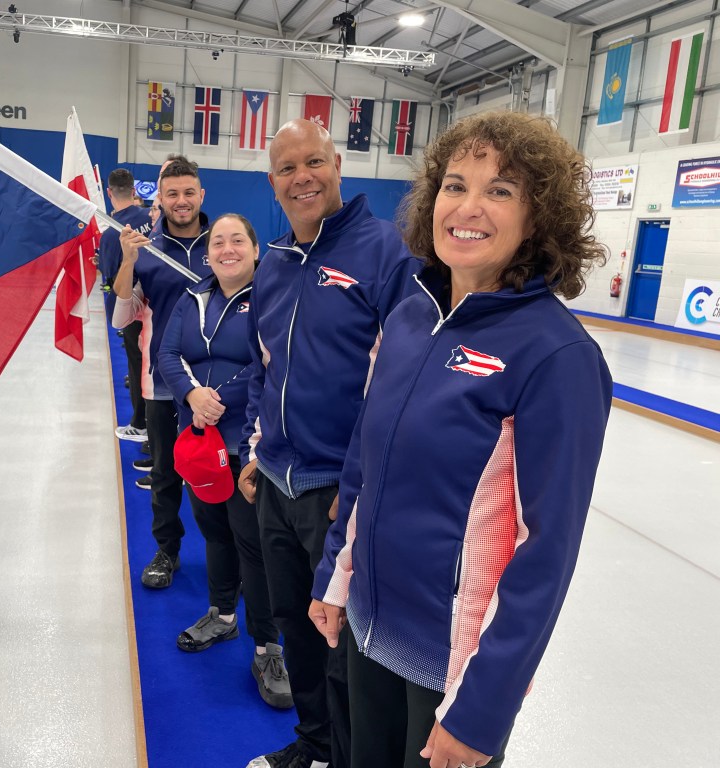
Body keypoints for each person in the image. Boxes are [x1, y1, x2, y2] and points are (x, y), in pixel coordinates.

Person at [309, 111, 613, 768]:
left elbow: (546, 555)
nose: (468, 207)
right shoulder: (410, 315)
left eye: (500, 190)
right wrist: (336, 577)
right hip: (368, 628)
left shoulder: (555, 355)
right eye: (455, 185)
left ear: (538, 218)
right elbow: (363, 464)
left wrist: (482, 709)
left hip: (452, 669)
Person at [239, 119, 420, 768]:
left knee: (343, 646)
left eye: (313, 162)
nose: (302, 177)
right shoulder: (278, 261)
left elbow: (407, 381)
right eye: (287, 169)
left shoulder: (386, 252)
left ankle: (343, 758)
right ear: (273, 183)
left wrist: (364, 488)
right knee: (294, 625)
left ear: (337, 164)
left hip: (337, 495)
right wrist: (259, 448)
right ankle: (313, 746)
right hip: (279, 483)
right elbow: (266, 367)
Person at [157, 213, 293, 709]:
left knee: (252, 546)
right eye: (219, 241)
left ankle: (268, 646)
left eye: (239, 240)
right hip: (199, 443)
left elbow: (269, 366)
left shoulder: (272, 299)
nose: (228, 248)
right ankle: (222, 613)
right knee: (213, 531)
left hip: (247, 447)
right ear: (209, 251)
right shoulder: (192, 296)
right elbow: (167, 354)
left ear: (256, 251)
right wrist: (193, 396)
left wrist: (226, 404)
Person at [113, 156, 213, 588]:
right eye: (172, 193)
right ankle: (166, 552)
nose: (181, 200)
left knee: (217, 476)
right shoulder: (146, 249)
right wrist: (128, 260)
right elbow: (122, 314)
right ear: (161, 198)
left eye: (189, 192)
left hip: (216, 387)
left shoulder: (224, 244)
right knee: (166, 477)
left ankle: (227, 560)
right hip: (161, 385)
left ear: (201, 195)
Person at [100, 168, 154, 447]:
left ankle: (139, 423)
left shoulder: (111, 231)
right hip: (157, 299)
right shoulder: (151, 218)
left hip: (132, 304)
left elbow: (110, 276)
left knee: (137, 364)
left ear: (110, 192)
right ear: (134, 191)